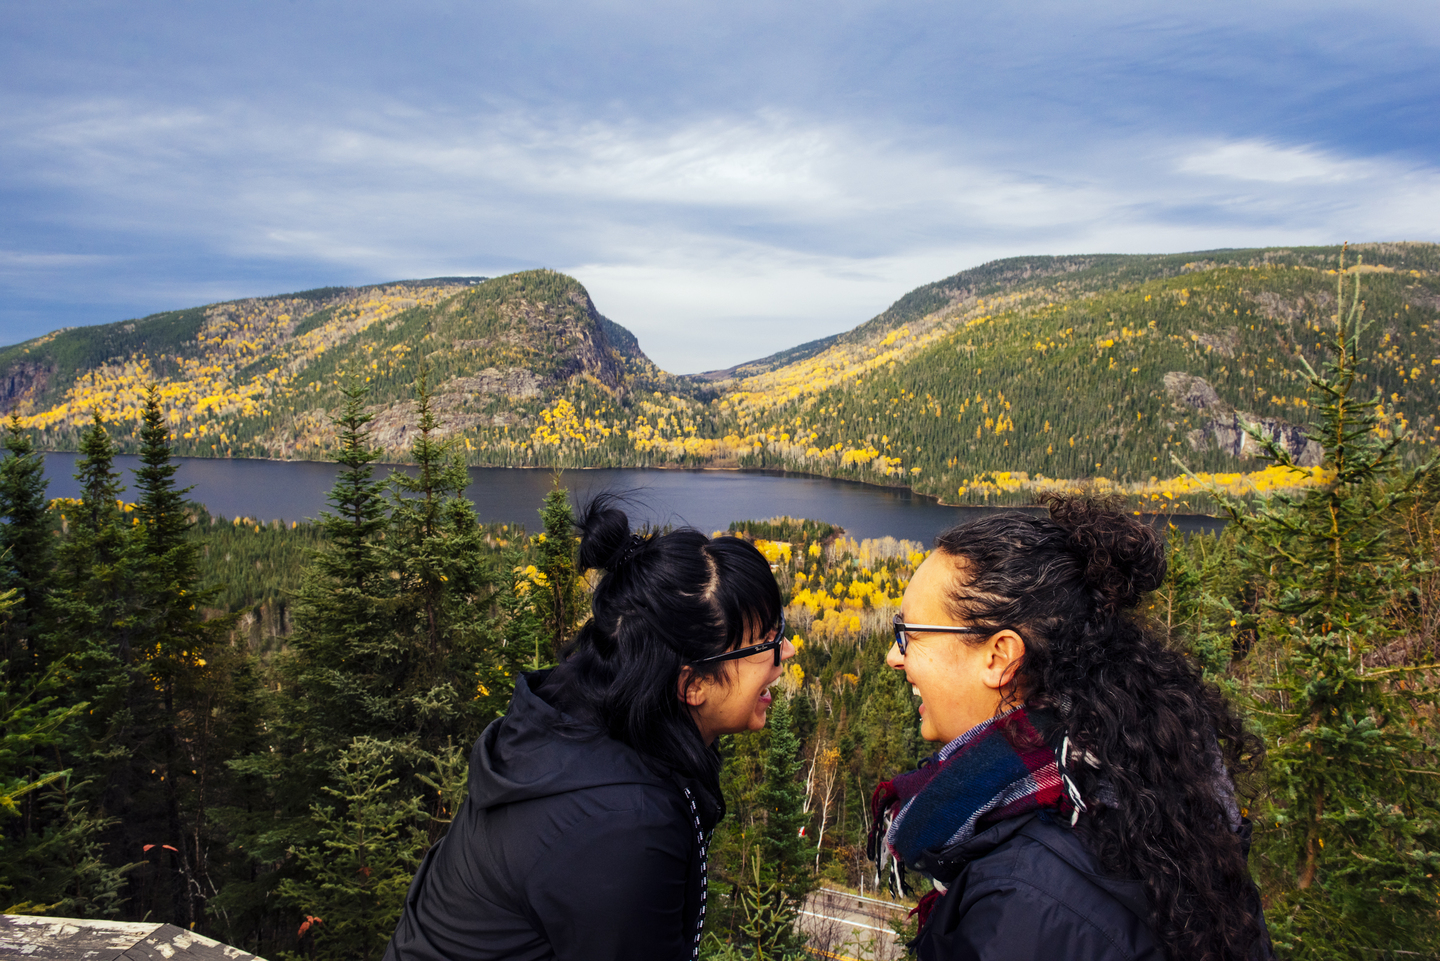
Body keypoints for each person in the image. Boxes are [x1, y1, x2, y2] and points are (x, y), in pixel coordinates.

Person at [383, 496, 795, 961]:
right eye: (767, 643)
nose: (788, 652)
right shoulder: (624, 829)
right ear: (692, 685)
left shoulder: (576, 712)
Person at [870, 494, 1271, 961]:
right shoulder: (1143, 788)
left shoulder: (1022, 904)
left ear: (1000, 656)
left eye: (909, 634)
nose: (894, 656)